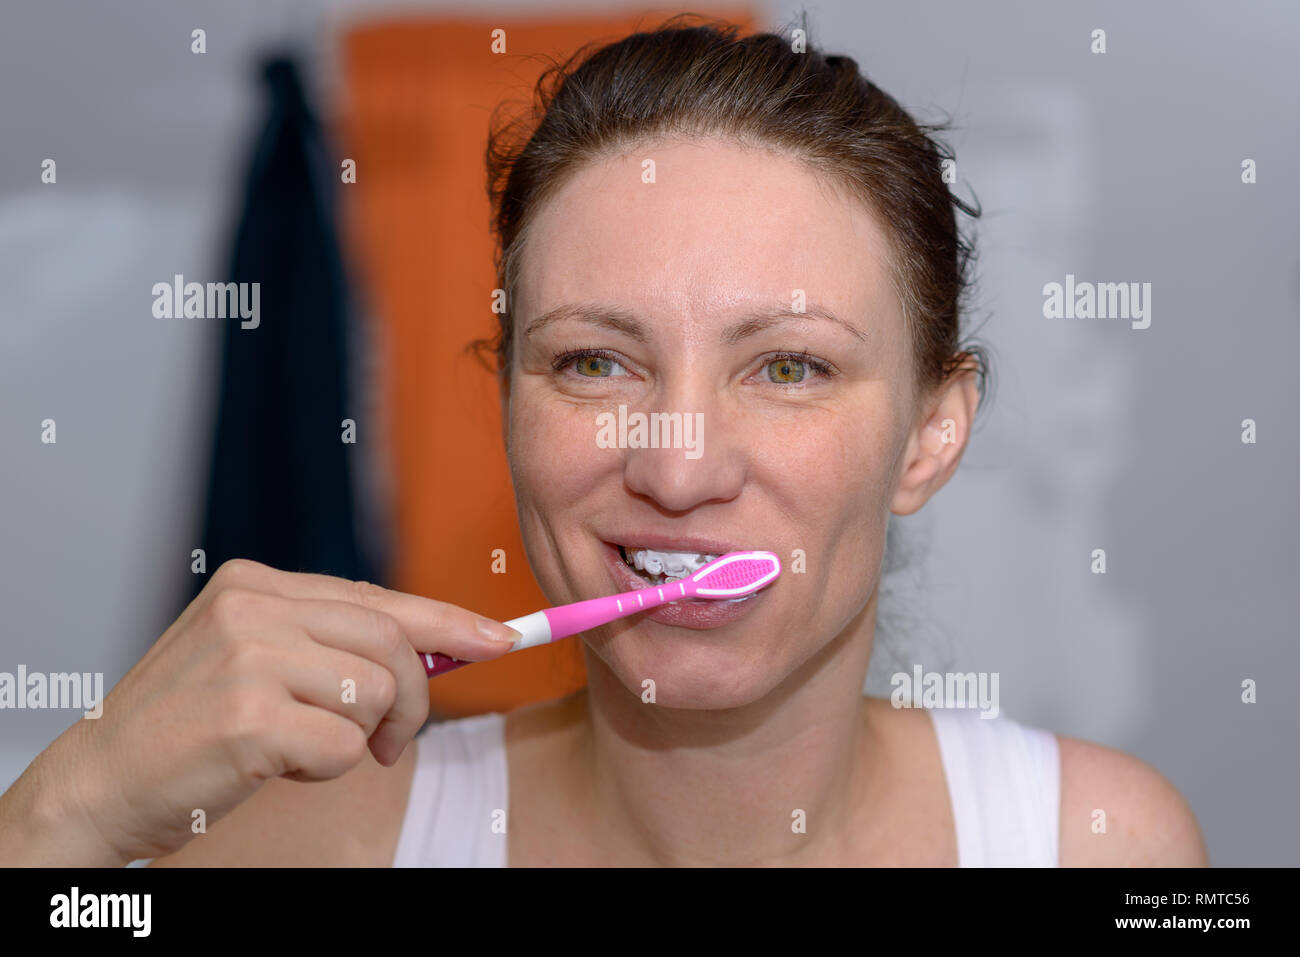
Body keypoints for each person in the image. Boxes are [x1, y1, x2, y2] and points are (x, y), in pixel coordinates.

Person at [0, 17, 1207, 867]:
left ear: (929, 436)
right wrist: (68, 815)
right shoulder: (313, 842)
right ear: (509, 404)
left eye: (787, 367)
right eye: (596, 361)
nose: (678, 468)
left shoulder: (1097, 846)